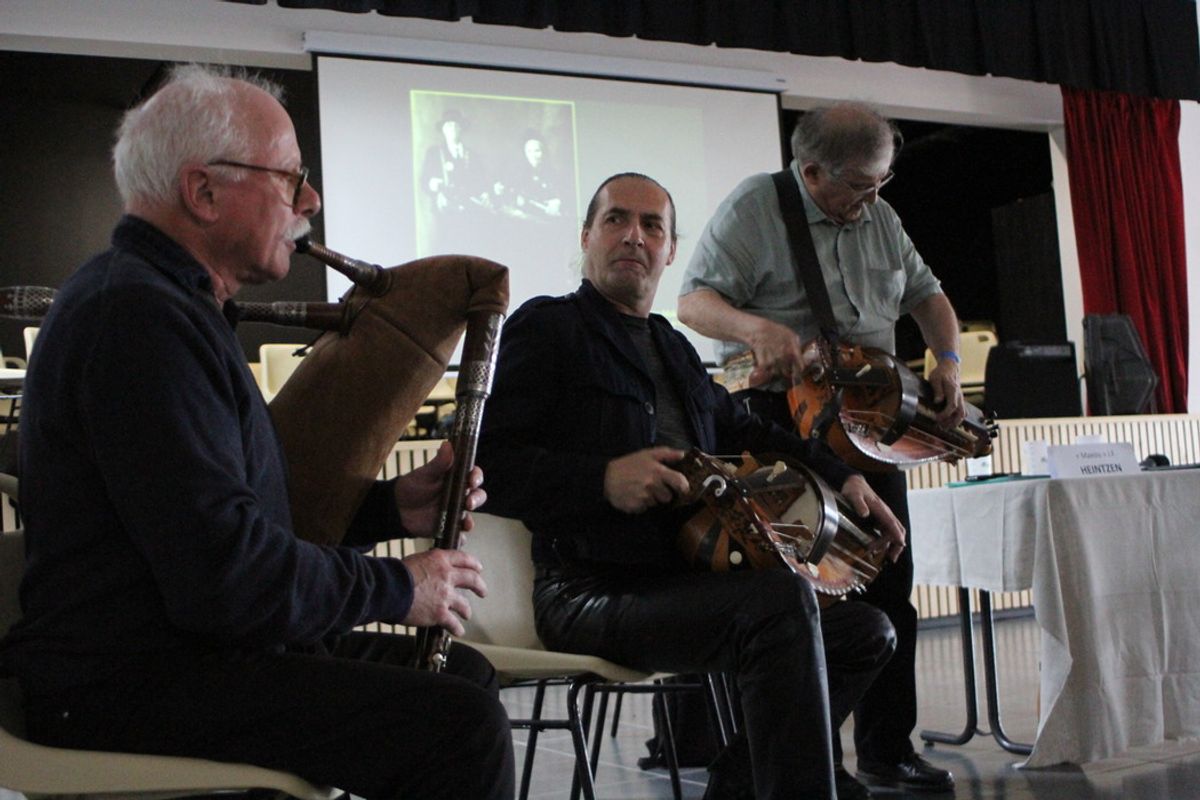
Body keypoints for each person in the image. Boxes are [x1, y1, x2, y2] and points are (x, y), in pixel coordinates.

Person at [0, 64, 514, 800]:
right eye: (288, 177)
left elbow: (230, 522)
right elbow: (226, 579)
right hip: (124, 682)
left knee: (462, 679)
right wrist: (397, 585)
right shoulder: (138, 321)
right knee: (457, 723)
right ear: (202, 191)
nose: (310, 199)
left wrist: (388, 509)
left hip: (178, 655)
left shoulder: (170, 306)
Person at [476, 172, 906, 800]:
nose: (634, 236)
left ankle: (736, 788)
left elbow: (750, 429)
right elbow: (490, 463)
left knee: (868, 632)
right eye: (617, 220)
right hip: (587, 590)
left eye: (653, 226)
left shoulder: (673, 348)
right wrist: (601, 480)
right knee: (782, 604)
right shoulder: (548, 328)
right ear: (587, 237)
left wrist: (846, 479)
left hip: (685, 584)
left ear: (671, 250)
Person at [677, 102, 962, 794]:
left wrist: (947, 357)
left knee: (888, 577)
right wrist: (755, 329)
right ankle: (805, 758)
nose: (873, 199)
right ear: (810, 171)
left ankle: (887, 747)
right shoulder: (756, 206)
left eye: (882, 183)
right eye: (862, 185)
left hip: (863, 421)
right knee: (799, 590)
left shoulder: (880, 217)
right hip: (774, 415)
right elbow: (693, 303)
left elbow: (928, 296)